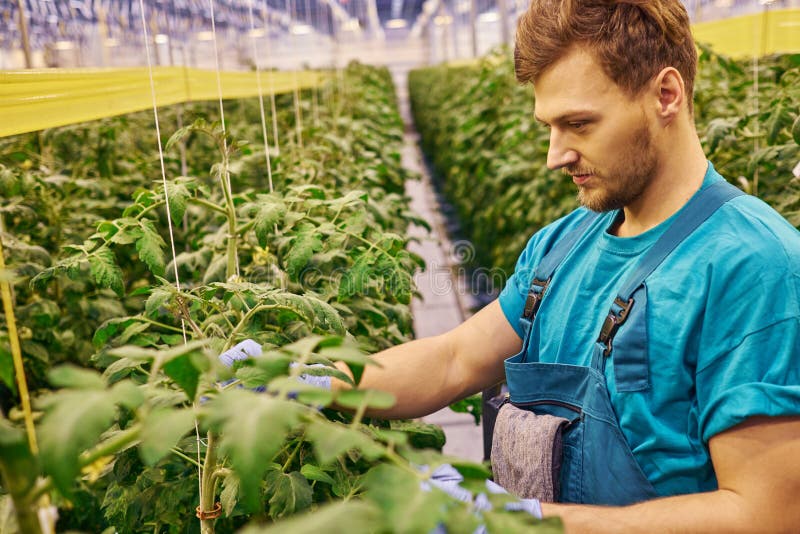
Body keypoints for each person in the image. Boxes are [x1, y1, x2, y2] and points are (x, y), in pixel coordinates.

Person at [225, 0, 800, 531]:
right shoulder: (566, 243)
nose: (556, 156)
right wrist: (308, 377)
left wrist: (534, 522)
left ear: (666, 95)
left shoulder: (754, 267)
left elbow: (765, 513)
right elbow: (453, 360)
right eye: (548, 127)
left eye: (579, 124)